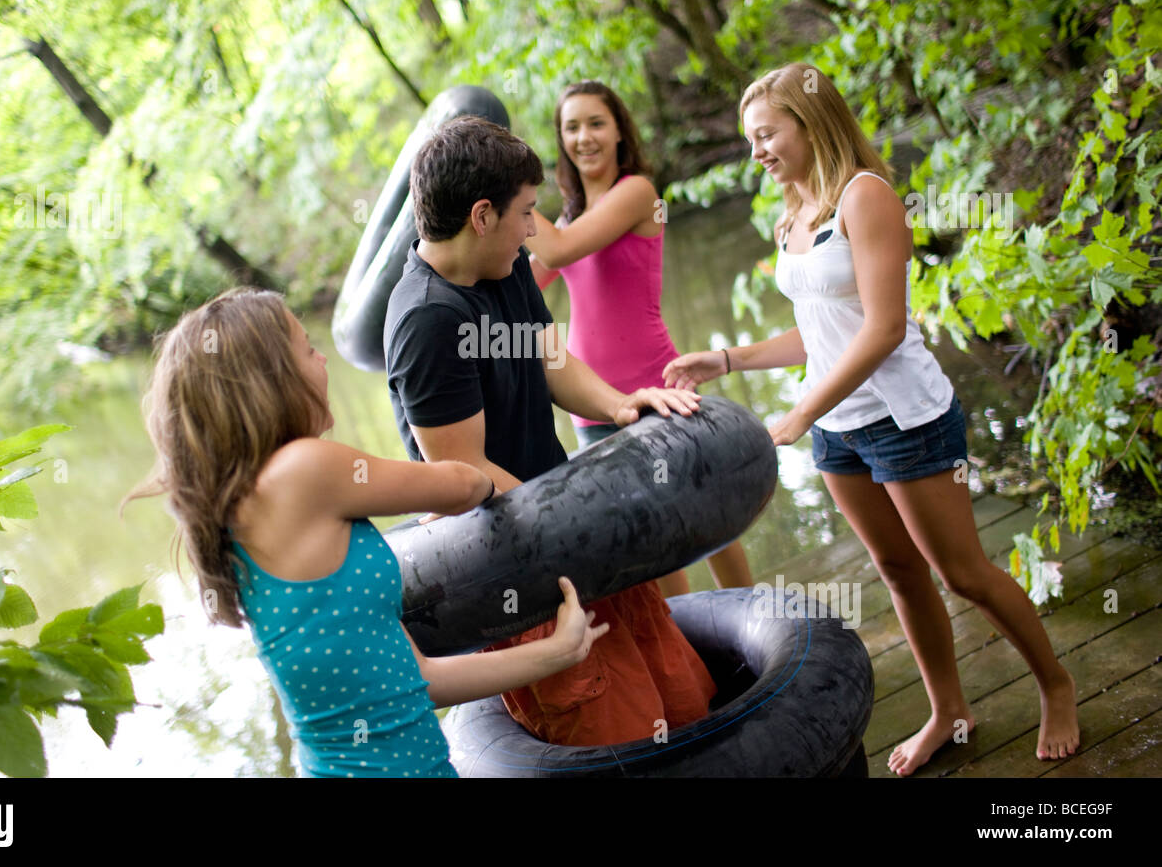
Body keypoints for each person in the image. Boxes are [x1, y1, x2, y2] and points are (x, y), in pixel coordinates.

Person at [663, 62, 1080, 775]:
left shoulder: (867, 197)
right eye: (750, 138)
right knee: (896, 570)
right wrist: (726, 359)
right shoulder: (791, 211)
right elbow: (819, 331)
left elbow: (883, 328)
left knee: (963, 572)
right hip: (839, 430)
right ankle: (948, 710)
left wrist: (798, 413)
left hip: (906, 419)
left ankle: (1056, 684)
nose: (757, 150)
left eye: (768, 134)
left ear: (810, 122)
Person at [126, 287, 610, 777]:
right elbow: (460, 480)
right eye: (308, 349)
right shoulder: (304, 468)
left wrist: (557, 651)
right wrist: (485, 483)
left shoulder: (235, 515)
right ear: (271, 381)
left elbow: (421, 679)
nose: (323, 360)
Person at [384, 114, 716, 747]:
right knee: (620, 739)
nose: (536, 229)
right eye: (527, 213)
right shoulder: (426, 321)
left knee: (683, 699)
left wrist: (622, 407)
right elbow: (469, 474)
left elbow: (549, 356)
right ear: (482, 215)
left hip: (577, 535)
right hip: (519, 574)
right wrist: (587, 526)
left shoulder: (501, 264)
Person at [524, 80, 752, 595]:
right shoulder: (568, 215)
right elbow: (528, 280)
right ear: (561, 140)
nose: (584, 137)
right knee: (652, 539)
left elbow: (557, 251)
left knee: (705, 520)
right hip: (594, 405)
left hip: (658, 385)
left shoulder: (638, 193)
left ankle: (750, 627)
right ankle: (691, 656)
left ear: (620, 131)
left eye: (595, 123)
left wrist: (498, 188)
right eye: (571, 127)